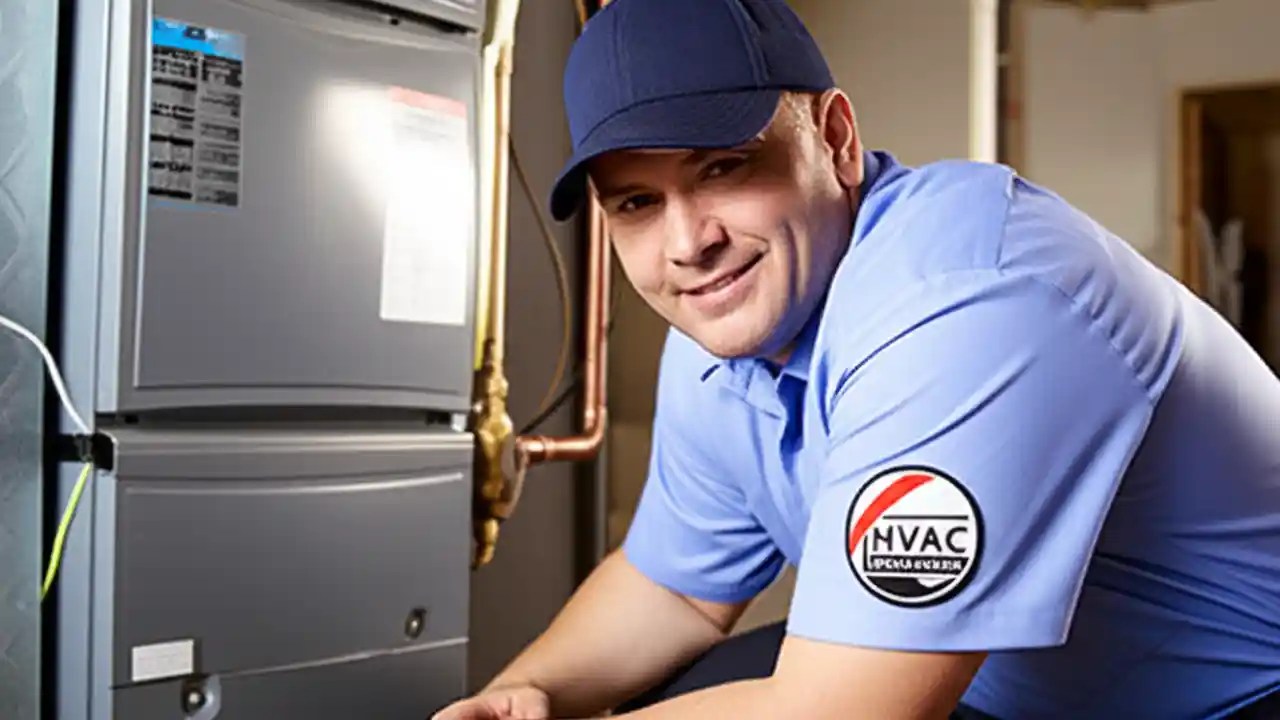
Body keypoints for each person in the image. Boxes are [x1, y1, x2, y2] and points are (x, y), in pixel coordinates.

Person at [435, 0, 1280, 717]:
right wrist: (524, 692)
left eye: (726, 167)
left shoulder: (968, 295)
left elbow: (845, 711)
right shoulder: (729, 336)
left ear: (836, 138)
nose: (688, 243)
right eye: (637, 203)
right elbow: (675, 589)